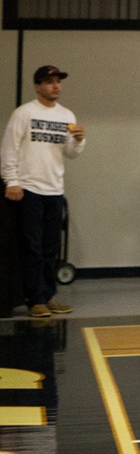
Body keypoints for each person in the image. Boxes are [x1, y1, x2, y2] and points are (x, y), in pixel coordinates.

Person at [3, 66, 85, 319]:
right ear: (38, 87)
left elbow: (70, 153)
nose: (56, 86)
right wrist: (11, 180)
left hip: (54, 189)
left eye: (58, 81)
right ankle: (34, 299)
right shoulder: (24, 113)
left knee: (51, 247)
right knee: (32, 247)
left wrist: (79, 140)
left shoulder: (66, 114)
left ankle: (49, 295)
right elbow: (9, 147)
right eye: (49, 82)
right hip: (29, 188)